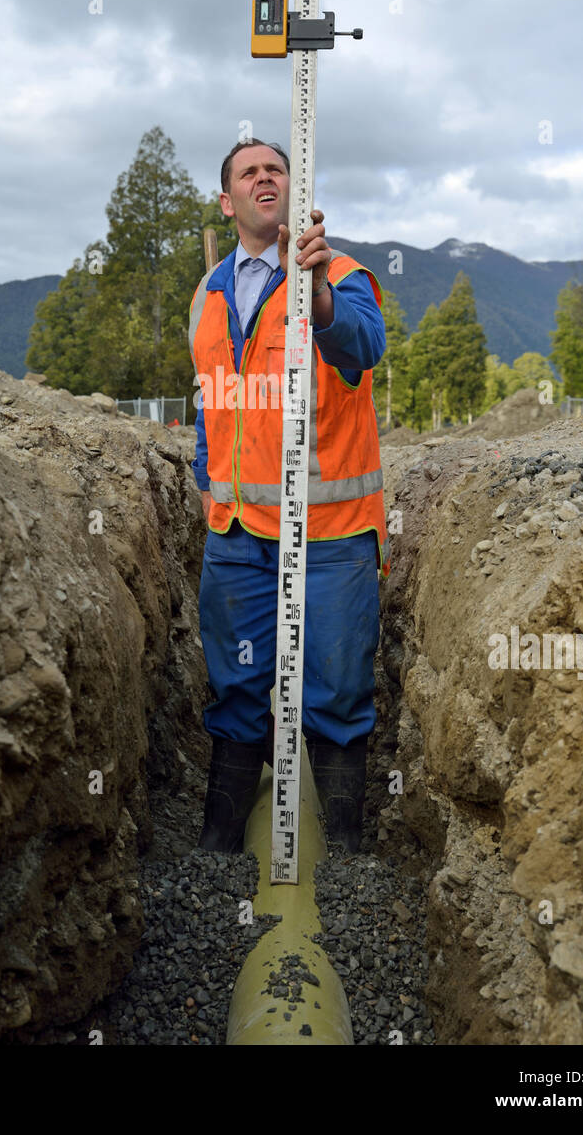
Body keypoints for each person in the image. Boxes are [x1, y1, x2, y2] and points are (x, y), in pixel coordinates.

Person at [188, 138, 390, 853]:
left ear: (292, 188)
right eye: (248, 172)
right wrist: (207, 469)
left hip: (330, 531)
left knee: (335, 686)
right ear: (227, 200)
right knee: (238, 681)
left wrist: (323, 296)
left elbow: (364, 348)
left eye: (276, 168)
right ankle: (219, 833)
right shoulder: (208, 292)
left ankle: (342, 843)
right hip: (237, 532)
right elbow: (214, 399)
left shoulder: (338, 273)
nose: (263, 178)